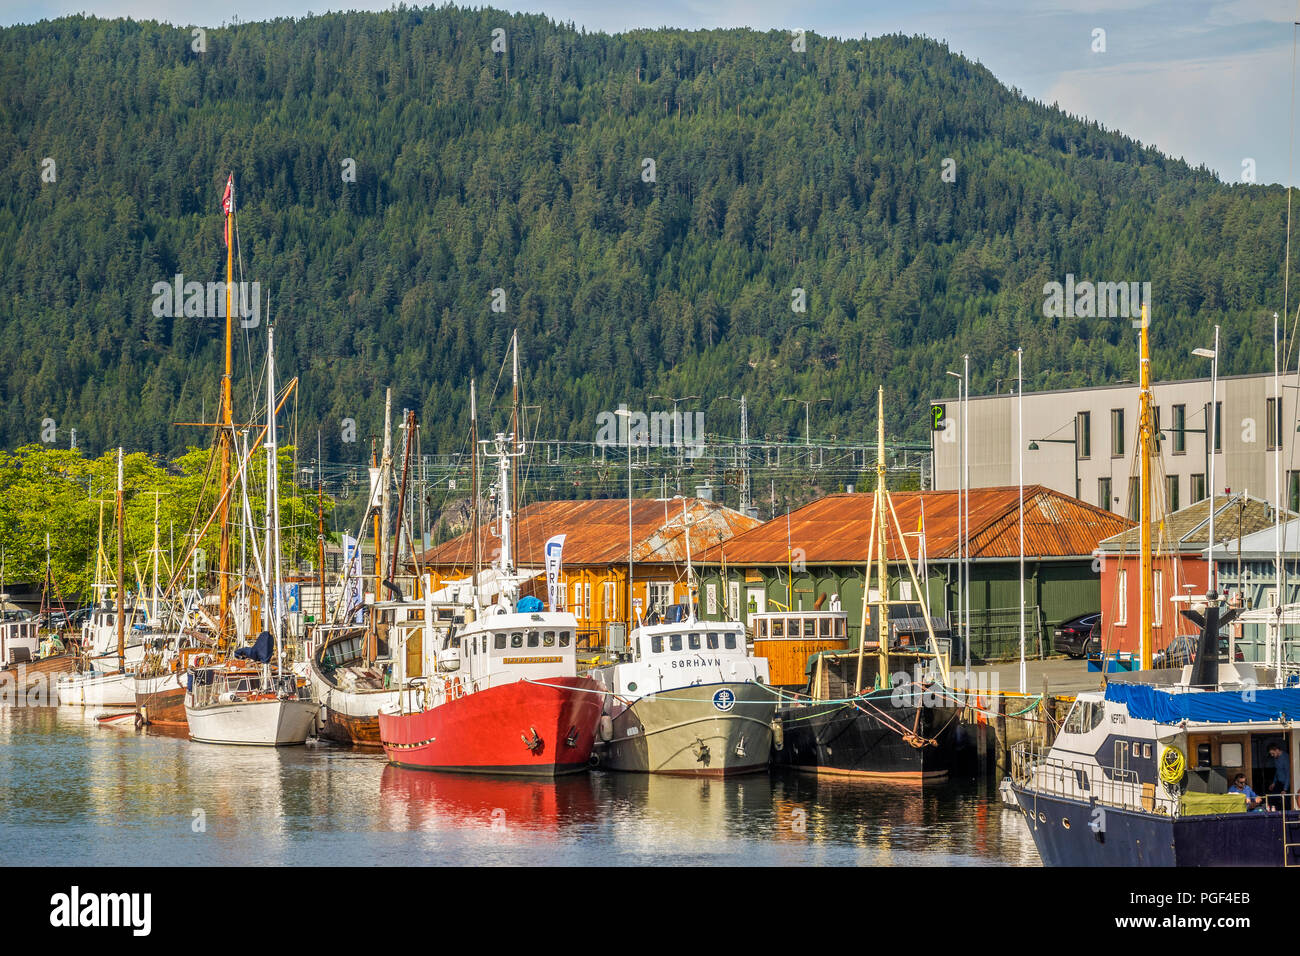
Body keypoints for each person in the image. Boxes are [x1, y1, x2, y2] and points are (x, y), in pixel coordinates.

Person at [1266, 744, 1290, 810]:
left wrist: (1285, 789)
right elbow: (1277, 771)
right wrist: (1274, 782)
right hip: (1279, 782)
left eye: (1272, 753)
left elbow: (1288, 774)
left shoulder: (1286, 758)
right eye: (1271, 754)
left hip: (1287, 784)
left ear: (1277, 750)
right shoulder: (1275, 758)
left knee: (1286, 803)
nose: (1272, 755)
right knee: (1272, 798)